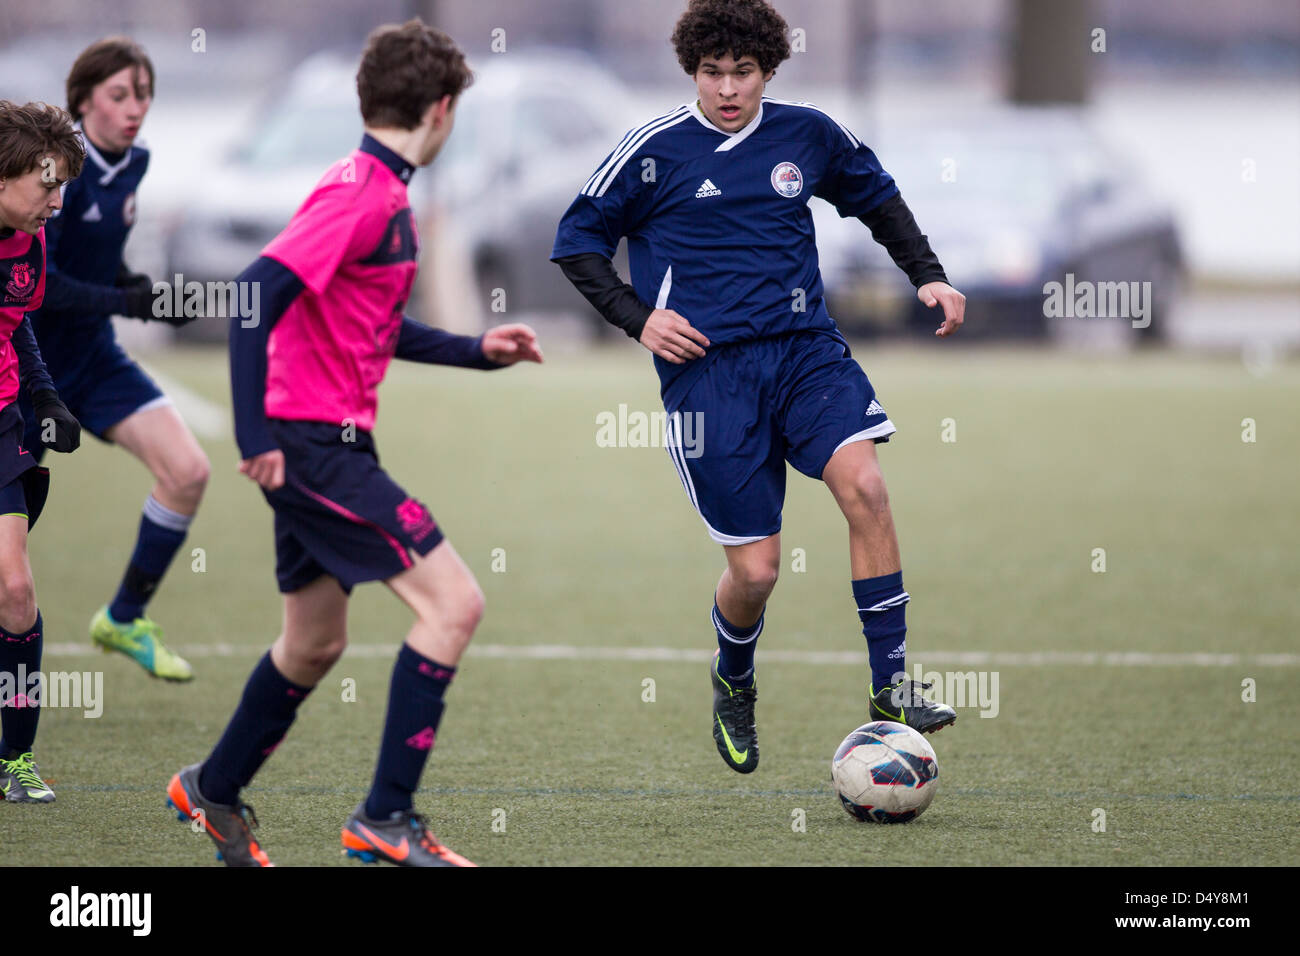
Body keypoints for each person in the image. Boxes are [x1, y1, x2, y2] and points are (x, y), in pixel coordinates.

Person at [165, 19, 543, 867]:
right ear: (441, 111)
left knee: (313, 641)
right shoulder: (363, 193)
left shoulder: (375, 188)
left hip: (330, 445)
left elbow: (368, 320)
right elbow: (255, 294)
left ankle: (212, 790)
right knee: (455, 605)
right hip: (311, 449)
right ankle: (385, 818)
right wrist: (254, 433)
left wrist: (473, 352)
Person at [553, 0, 965, 775]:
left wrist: (930, 276)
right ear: (693, 72)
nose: (728, 87)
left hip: (807, 352)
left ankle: (892, 687)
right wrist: (639, 319)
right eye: (713, 73)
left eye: (743, 72)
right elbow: (575, 243)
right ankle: (734, 676)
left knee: (867, 489)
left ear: (769, 71)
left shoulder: (807, 133)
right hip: (709, 376)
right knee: (758, 572)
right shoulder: (653, 152)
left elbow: (875, 196)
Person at [21, 37, 204, 682]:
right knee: (10, 544)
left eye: (144, 94)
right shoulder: (52, 173)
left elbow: (99, 267)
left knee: (188, 471)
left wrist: (141, 288)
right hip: (26, 368)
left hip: (93, 360)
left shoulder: (136, 163)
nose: (135, 108)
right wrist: (138, 303)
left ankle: (124, 618)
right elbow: (49, 285)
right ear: (83, 101)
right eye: (120, 95)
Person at [0, 100, 86, 802]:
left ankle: (15, 762)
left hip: (1, 424)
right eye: (46, 185)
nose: (54, 203)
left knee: (16, 590)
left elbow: (18, 323)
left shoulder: (28, 238)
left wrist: (48, 398)